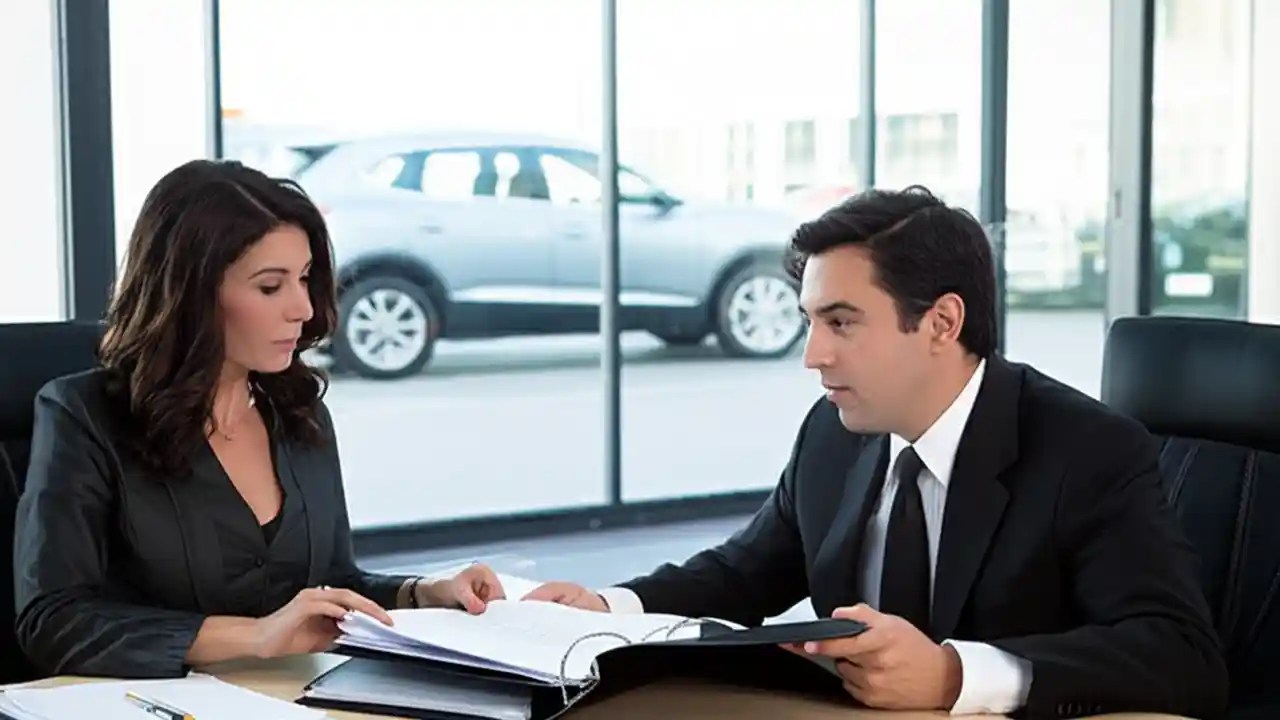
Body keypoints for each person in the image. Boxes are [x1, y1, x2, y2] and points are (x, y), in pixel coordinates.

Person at [519, 187, 1229, 718]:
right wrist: (611, 606)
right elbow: (744, 572)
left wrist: (955, 675)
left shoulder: (1086, 450)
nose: (812, 355)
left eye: (841, 322)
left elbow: (1181, 655)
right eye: (808, 321)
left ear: (942, 323)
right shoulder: (832, 433)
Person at [13, 160, 505, 679]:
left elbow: (329, 584)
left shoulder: (298, 410)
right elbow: (54, 621)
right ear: (190, 293)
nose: (304, 309)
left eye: (305, 278)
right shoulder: (82, 414)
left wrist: (423, 593)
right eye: (270, 287)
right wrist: (256, 635)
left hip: (290, 700)